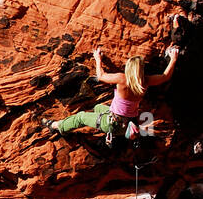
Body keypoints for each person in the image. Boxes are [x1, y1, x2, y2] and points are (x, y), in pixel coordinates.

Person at [51, 44, 179, 140]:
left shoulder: (122, 78)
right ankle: (108, 128)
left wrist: (97, 59)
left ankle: (57, 126)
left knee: (81, 117)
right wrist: (173, 59)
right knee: (98, 107)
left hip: (112, 123)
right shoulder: (146, 81)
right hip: (127, 124)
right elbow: (164, 76)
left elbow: (100, 76)